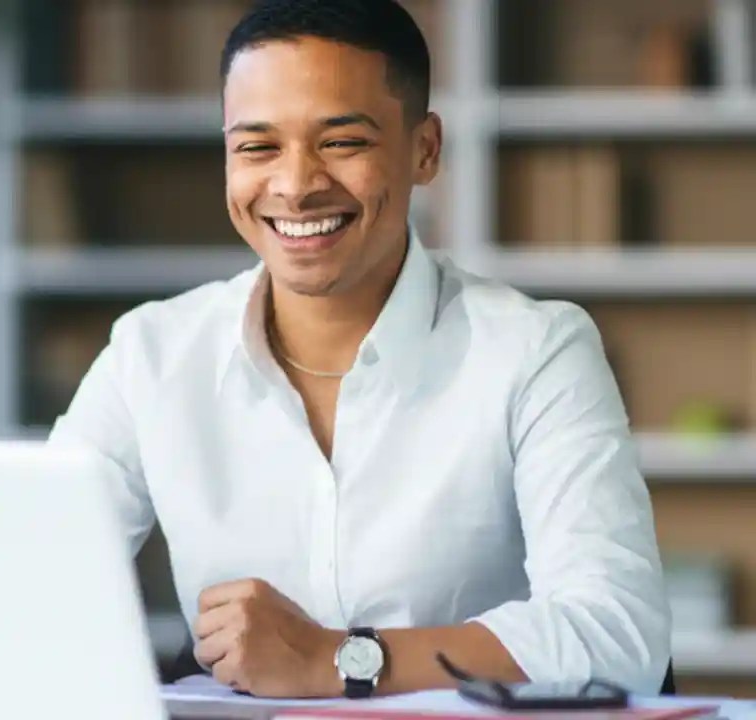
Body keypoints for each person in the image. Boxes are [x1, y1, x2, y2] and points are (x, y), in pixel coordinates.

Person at [48, 0, 669, 700]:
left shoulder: (536, 351)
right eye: (257, 147)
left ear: (425, 150)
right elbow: (22, 571)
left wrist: (338, 659)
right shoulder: (151, 355)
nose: (295, 184)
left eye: (342, 142)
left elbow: (619, 635)